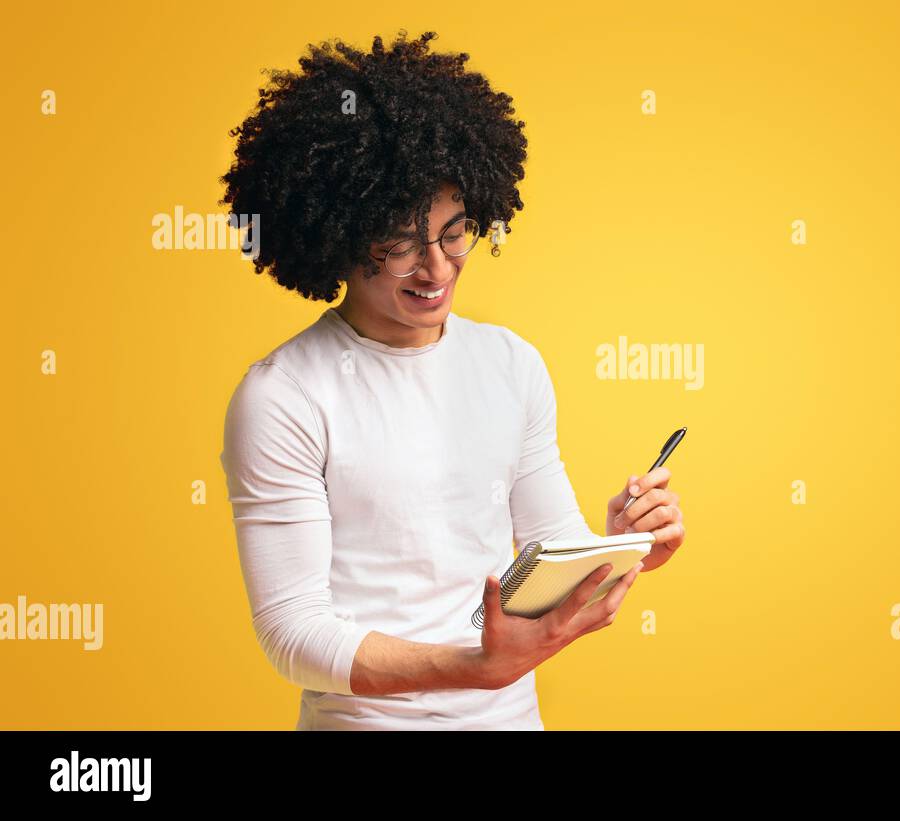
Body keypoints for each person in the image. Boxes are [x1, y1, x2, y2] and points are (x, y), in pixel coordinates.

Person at [217, 31, 687, 730]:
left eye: (454, 231)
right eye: (400, 242)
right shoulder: (284, 395)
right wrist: (475, 667)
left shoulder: (511, 363)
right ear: (336, 236)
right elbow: (294, 633)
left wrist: (619, 547)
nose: (436, 269)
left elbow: (545, 558)